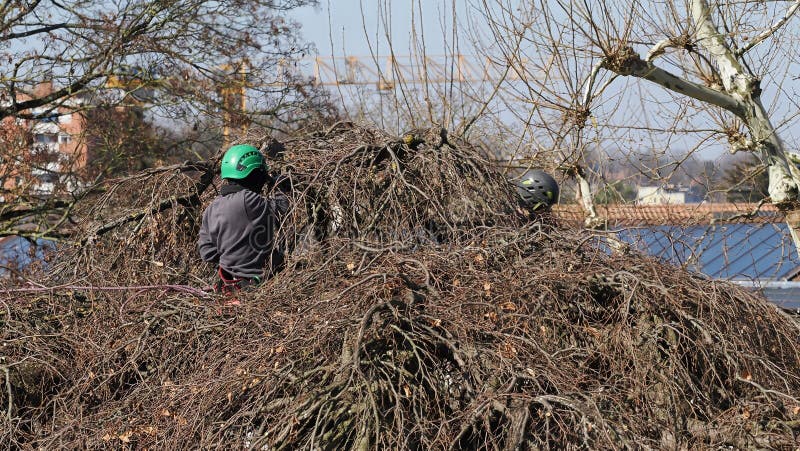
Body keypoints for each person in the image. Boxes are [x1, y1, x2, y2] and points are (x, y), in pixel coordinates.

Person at [198, 144, 289, 294]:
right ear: (253, 175)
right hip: (254, 287)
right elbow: (282, 208)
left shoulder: (212, 208)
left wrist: (230, 256)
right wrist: (280, 184)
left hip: (226, 287)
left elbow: (206, 252)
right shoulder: (249, 200)